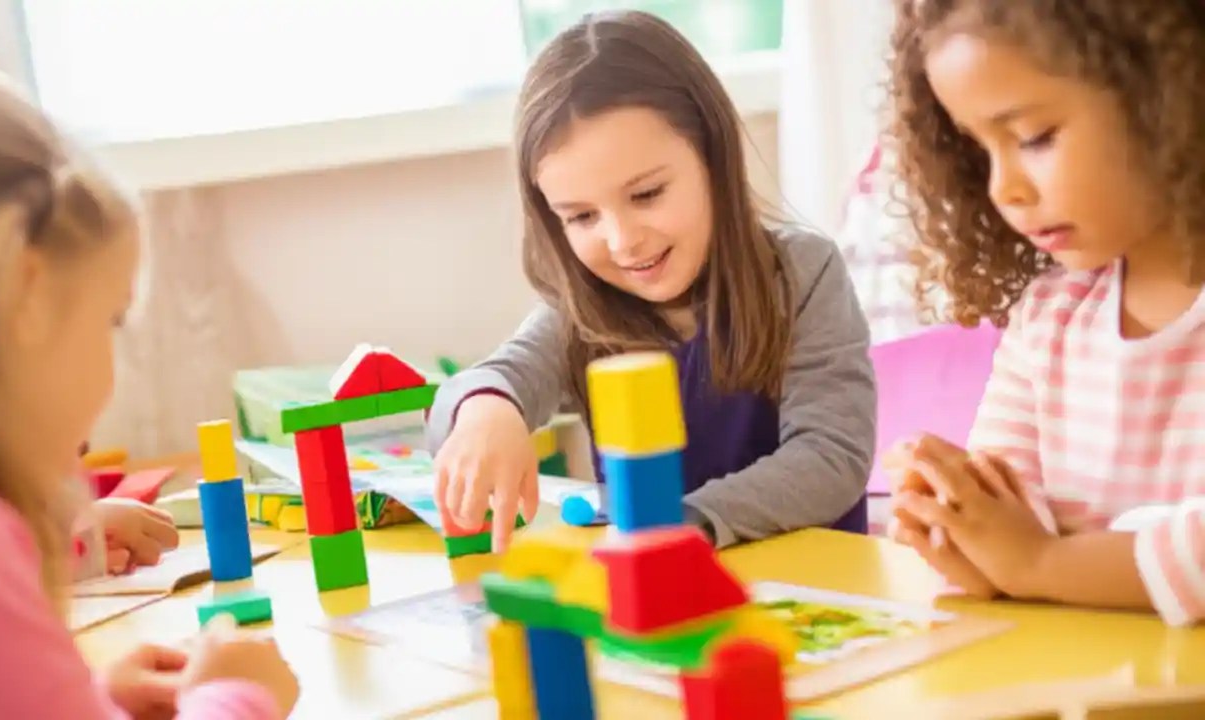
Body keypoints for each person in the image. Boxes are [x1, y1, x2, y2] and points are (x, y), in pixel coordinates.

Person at [0, 62, 299, 716]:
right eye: (111, 320)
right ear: (27, 294)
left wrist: (90, 701)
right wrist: (238, 697)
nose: (111, 370)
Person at [426, 10, 876, 552]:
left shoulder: (802, 274)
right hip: (657, 612)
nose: (622, 241)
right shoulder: (583, 309)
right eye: (582, 217)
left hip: (818, 593)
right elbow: (490, 381)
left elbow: (831, 459)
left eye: (646, 195)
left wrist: (681, 524)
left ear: (712, 156)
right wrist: (486, 409)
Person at [881, 0, 1205, 625]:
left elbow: (1030, 555)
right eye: (980, 152)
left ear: (1171, 96)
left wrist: (1039, 566)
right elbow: (1010, 517)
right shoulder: (1049, 319)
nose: (1004, 188)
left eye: (1034, 138)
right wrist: (955, 518)